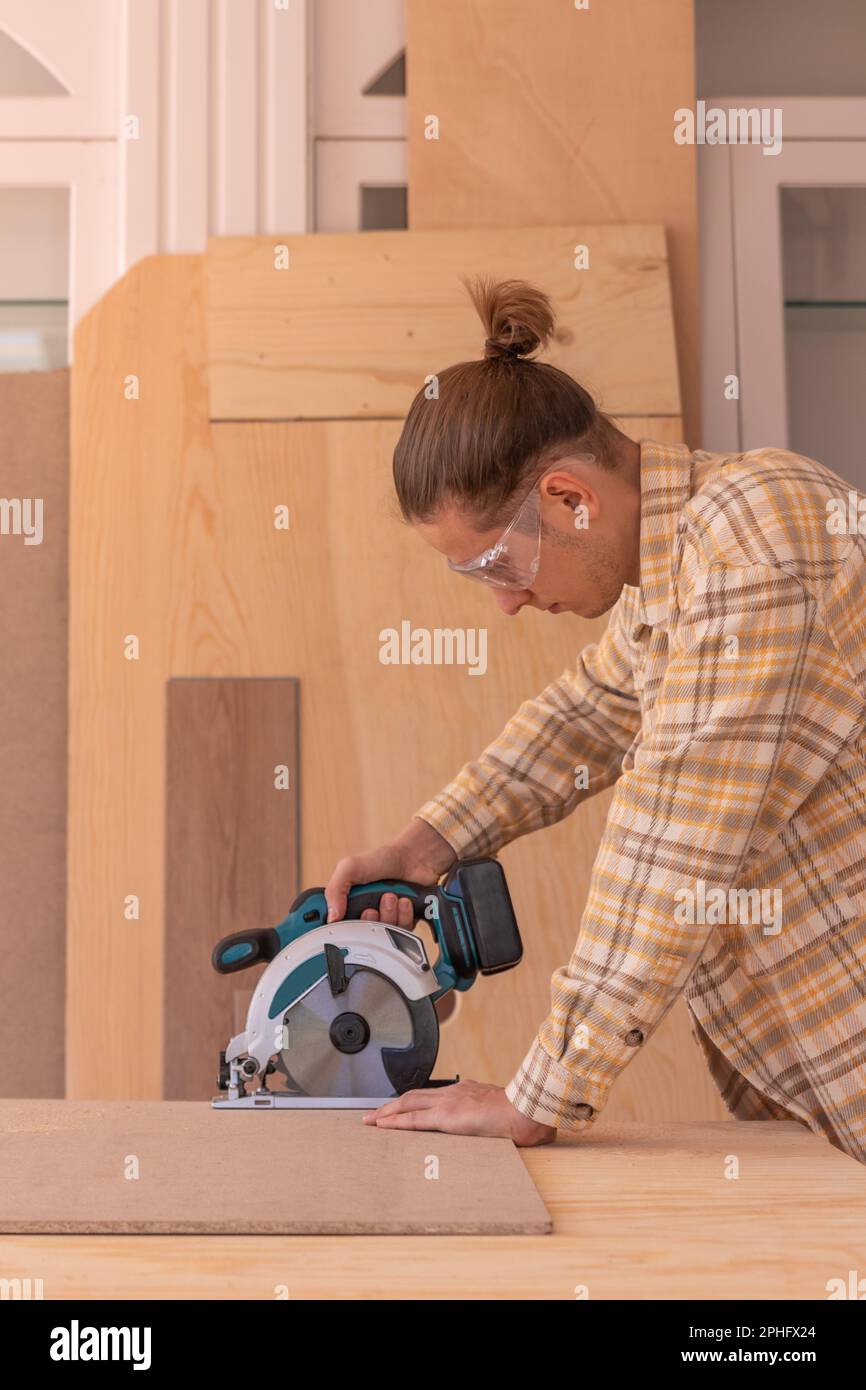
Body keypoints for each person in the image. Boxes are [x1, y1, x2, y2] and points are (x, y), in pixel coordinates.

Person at [325, 276, 866, 1161]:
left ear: (570, 498)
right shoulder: (684, 566)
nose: (502, 603)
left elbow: (671, 842)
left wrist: (542, 1094)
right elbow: (588, 714)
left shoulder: (758, 538)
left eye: (494, 564)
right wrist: (429, 843)